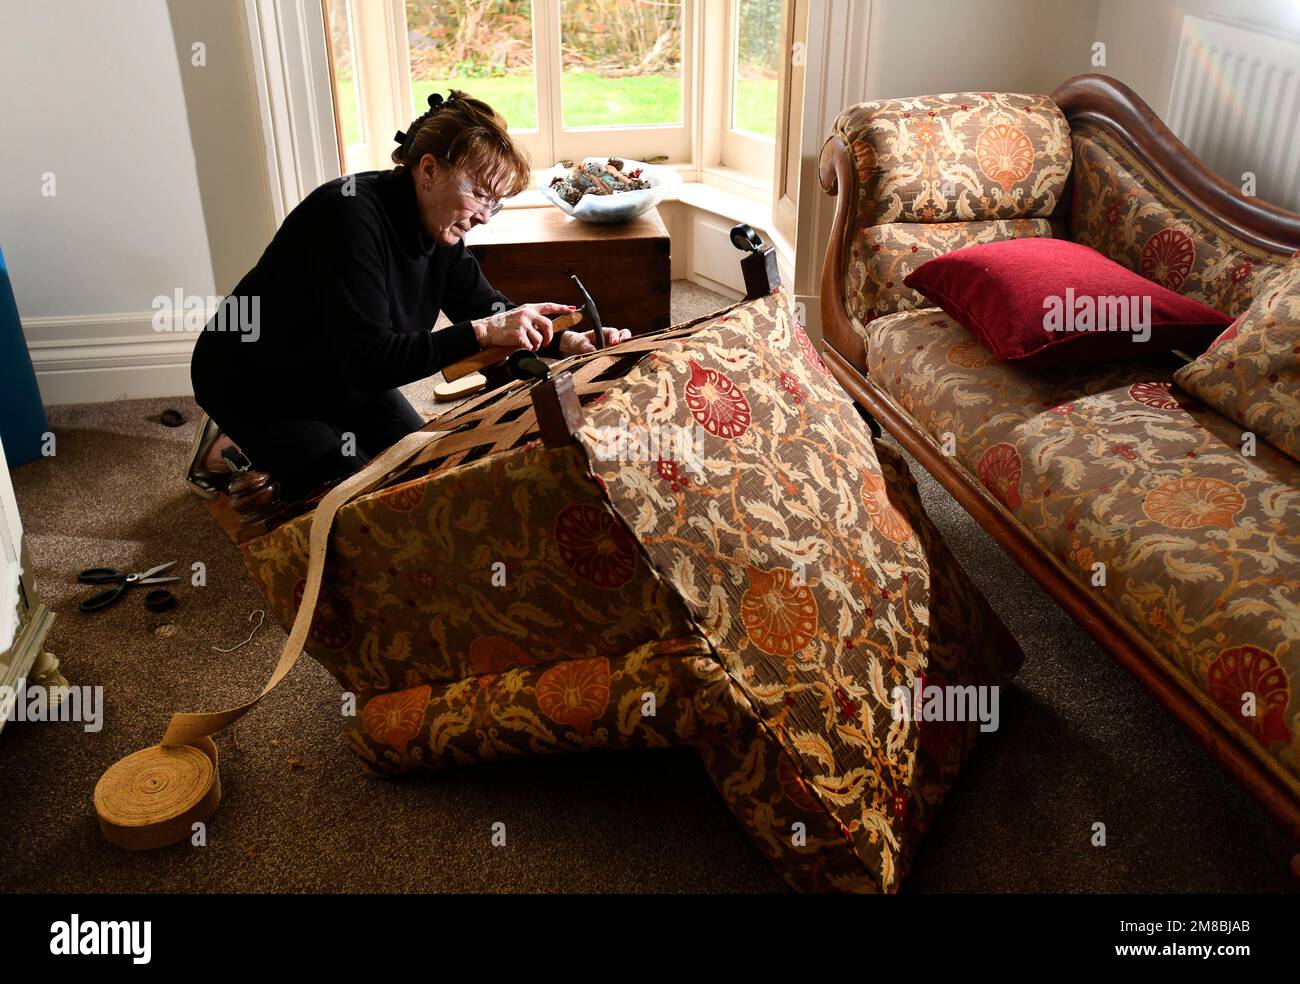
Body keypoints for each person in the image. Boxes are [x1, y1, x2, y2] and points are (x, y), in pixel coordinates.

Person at [186, 89, 628, 500]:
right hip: (259, 380)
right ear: (430, 170)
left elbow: (485, 308)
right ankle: (228, 444)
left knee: (421, 472)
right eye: (478, 193)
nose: (484, 217)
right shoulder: (347, 217)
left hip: (340, 375)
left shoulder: (442, 228)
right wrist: (482, 332)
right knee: (352, 500)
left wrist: (564, 340)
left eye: (494, 203)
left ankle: (279, 439)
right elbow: (374, 360)